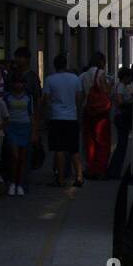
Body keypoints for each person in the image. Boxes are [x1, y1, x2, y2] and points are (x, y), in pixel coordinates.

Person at [41, 53, 83, 187]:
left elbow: (46, 100)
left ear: (54, 65)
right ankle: (79, 176)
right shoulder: (75, 79)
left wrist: (49, 112)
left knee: (58, 149)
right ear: (66, 65)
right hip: (71, 118)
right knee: (74, 149)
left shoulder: (49, 80)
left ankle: (60, 178)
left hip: (56, 118)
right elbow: (79, 98)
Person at [3, 71, 38, 196]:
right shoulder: (7, 97)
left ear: (24, 84)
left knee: (23, 159)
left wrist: (34, 131)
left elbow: (32, 115)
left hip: (25, 127)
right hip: (12, 127)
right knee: (14, 157)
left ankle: (20, 183)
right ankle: (12, 182)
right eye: (16, 82)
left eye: (21, 82)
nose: (18, 85)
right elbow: (4, 114)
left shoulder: (28, 97)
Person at [79, 51, 112, 178]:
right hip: (101, 111)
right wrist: (110, 86)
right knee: (102, 141)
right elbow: (105, 91)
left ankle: (90, 167)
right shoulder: (101, 73)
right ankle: (100, 169)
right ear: (101, 62)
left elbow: (81, 94)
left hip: (88, 109)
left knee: (90, 140)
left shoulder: (84, 75)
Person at [108, 66, 133, 180]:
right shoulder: (120, 87)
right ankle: (114, 171)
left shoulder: (120, 86)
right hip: (121, 117)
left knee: (121, 146)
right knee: (121, 146)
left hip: (120, 117)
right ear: (126, 77)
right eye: (129, 77)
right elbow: (120, 102)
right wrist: (130, 102)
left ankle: (114, 171)